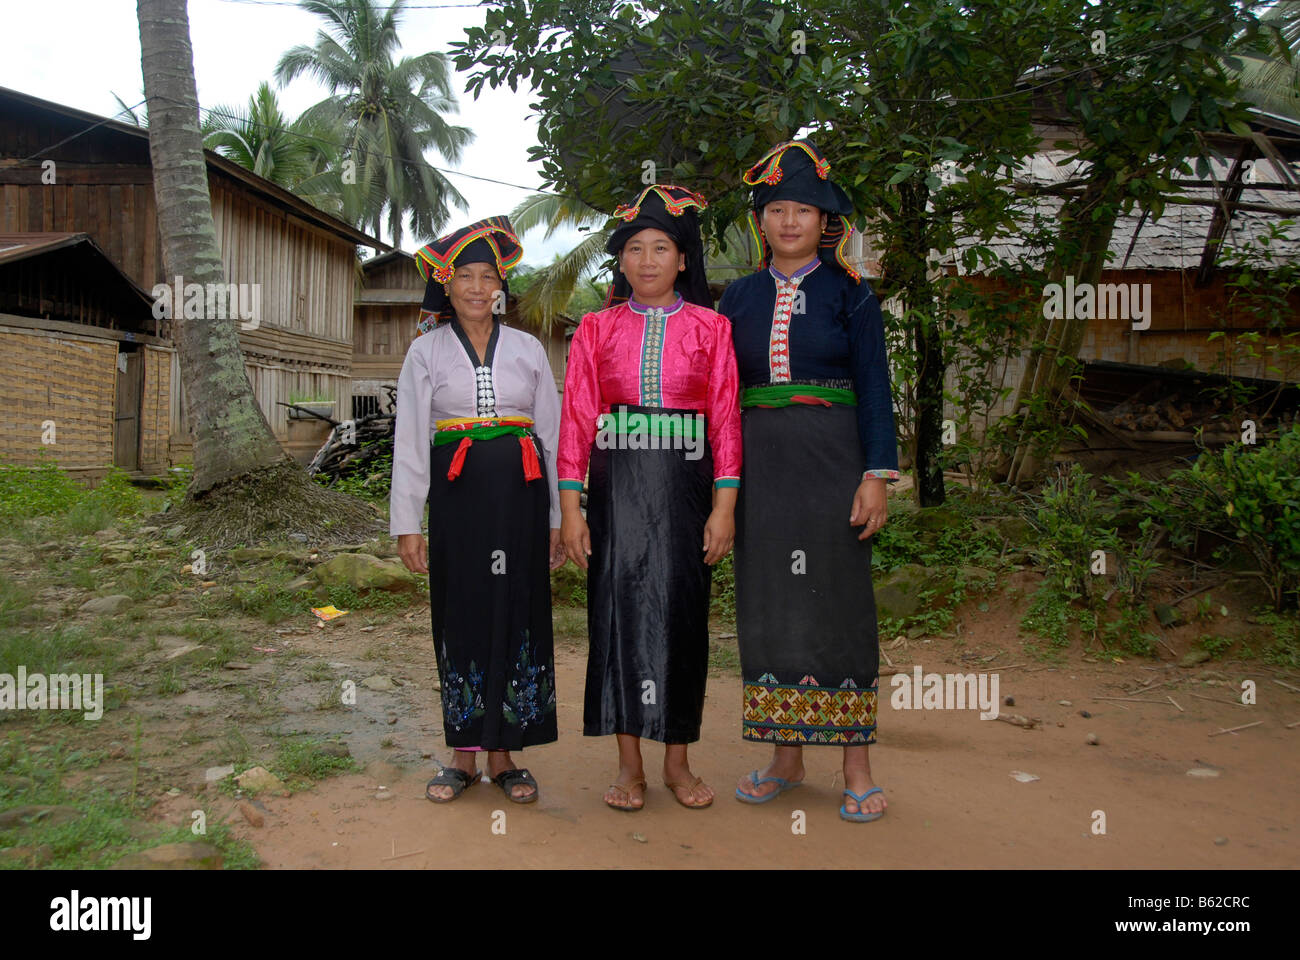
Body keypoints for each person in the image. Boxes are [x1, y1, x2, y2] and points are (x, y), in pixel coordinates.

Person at [718, 141, 900, 822]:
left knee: (840, 606)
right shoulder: (736, 298)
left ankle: (856, 763)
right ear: (760, 220)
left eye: (804, 209)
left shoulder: (852, 295)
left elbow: (877, 392)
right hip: (761, 468)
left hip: (833, 463)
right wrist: (722, 487)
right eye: (777, 209)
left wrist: (875, 475)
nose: (790, 220)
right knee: (769, 607)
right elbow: (721, 393)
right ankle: (784, 758)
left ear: (826, 220)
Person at [557, 184, 742, 811]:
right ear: (623, 261)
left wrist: (724, 508)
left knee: (681, 621)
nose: (647, 260)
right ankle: (629, 765)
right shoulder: (594, 329)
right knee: (618, 618)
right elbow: (578, 417)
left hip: (688, 488)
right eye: (634, 248)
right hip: (616, 489)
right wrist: (570, 508)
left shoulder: (714, 329)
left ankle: (677, 763)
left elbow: (724, 423)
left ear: (682, 259)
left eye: (660, 247)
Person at [390, 215, 565, 806]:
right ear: (446, 284)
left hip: (521, 499)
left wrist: (559, 518)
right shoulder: (425, 352)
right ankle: (463, 755)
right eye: (463, 275)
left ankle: (506, 755)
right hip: (459, 503)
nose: (475, 287)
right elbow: (412, 441)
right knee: (462, 612)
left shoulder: (529, 348)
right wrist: (407, 522)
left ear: (501, 286)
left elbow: (554, 434)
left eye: (486, 276)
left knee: (519, 612)